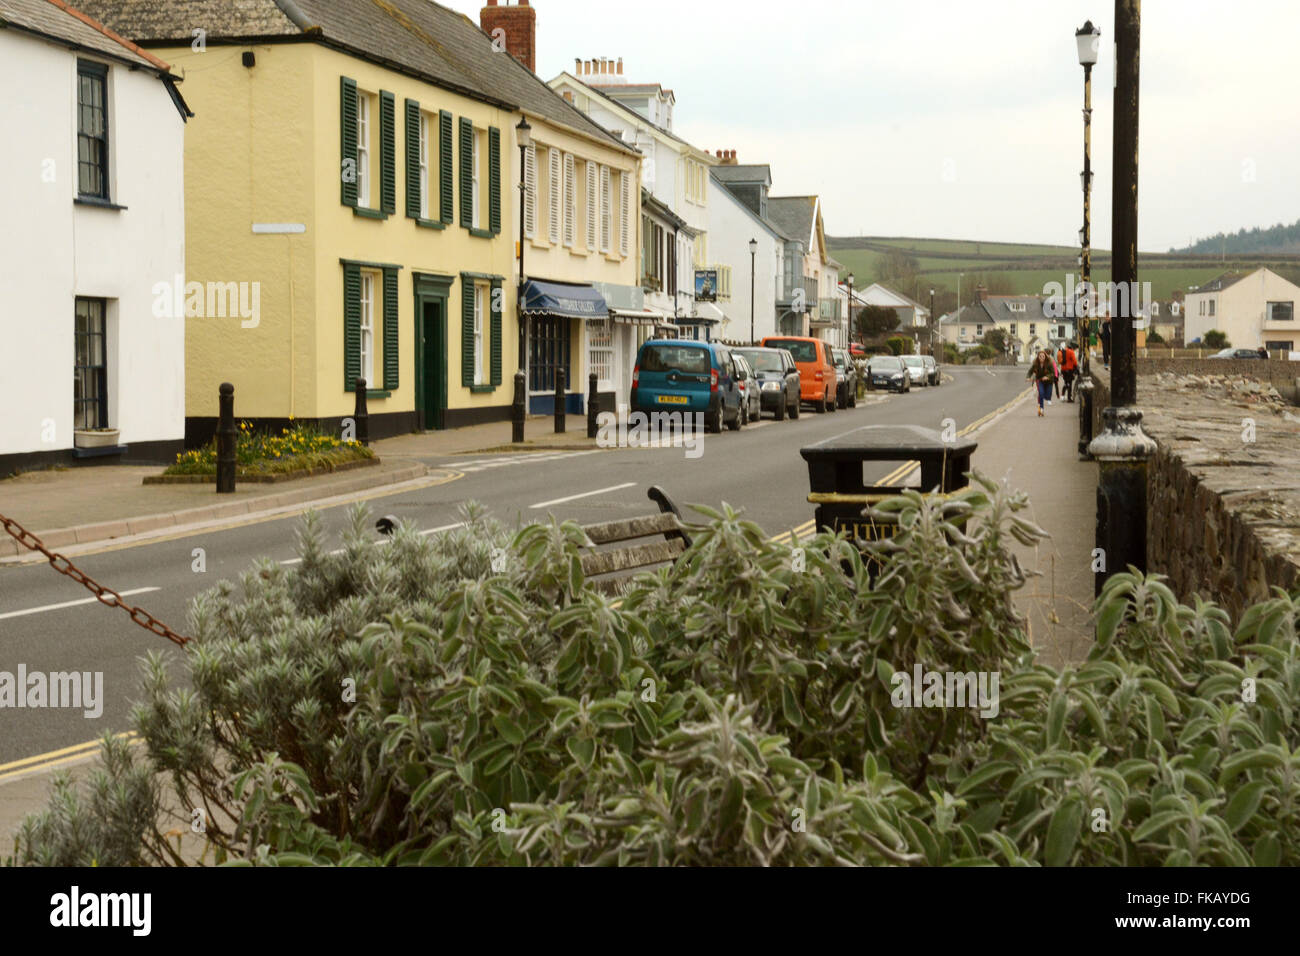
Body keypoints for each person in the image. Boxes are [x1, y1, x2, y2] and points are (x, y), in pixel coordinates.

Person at [1027, 349, 1055, 417]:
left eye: (1043, 356)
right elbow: (1030, 371)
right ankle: (1041, 409)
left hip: (1049, 382)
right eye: (1040, 356)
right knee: (1041, 394)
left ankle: (1046, 398)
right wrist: (1028, 377)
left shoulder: (1049, 363)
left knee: (1048, 396)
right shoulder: (1036, 364)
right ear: (1038, 357)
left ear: (1045, 357)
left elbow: (1053, 373)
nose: (1042, 358)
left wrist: (1047, 377)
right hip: (1040, 381)